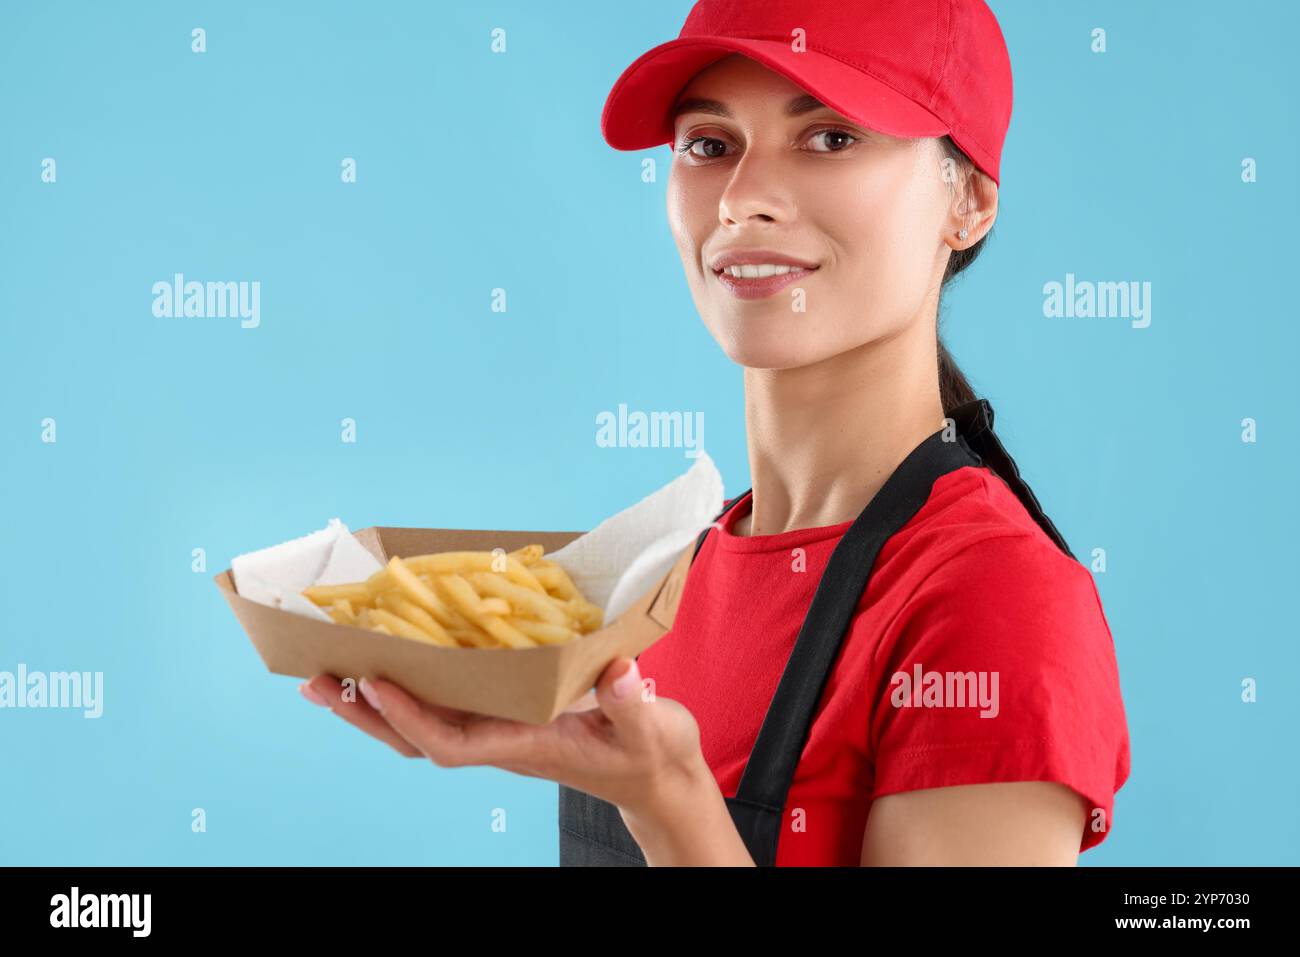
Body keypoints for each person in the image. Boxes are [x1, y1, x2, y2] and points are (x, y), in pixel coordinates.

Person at [298, 0, 1131, 866]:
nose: (743, 198)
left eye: (831, 138)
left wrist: (670, 803)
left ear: (970, 200)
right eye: (709, 144)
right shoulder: (651, 585)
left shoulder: (994, 603)